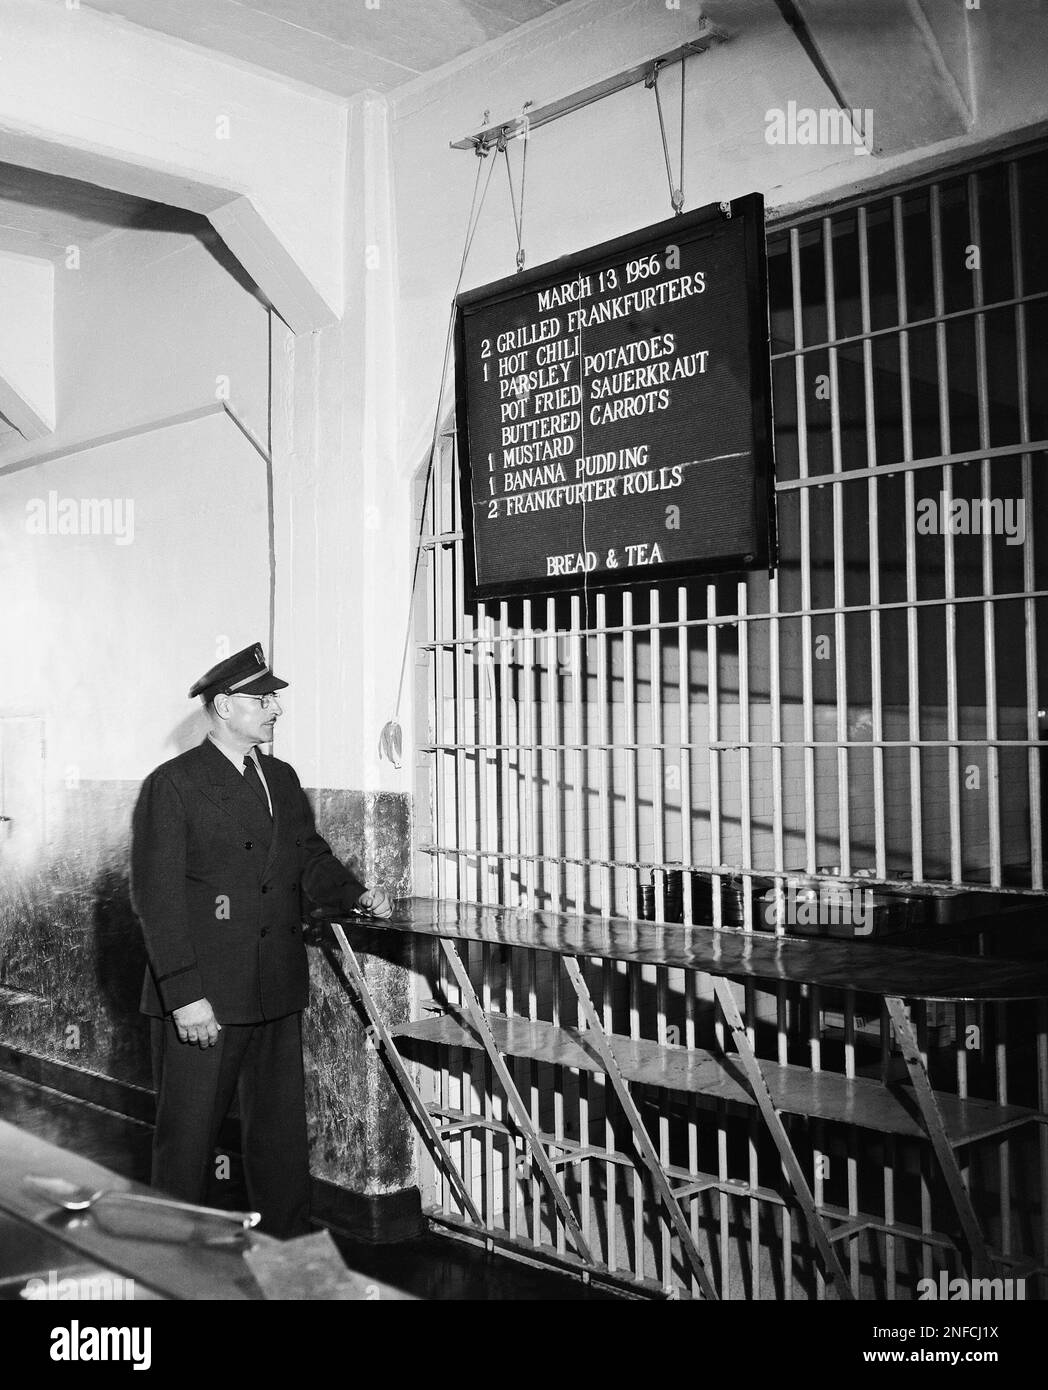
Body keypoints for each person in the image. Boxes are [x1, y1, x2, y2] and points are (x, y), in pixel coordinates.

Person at [130, 642, 391, 1238]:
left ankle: (286, 1245)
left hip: (274, 983)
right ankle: (173, 1256)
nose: (275, 707)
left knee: (278, 1133)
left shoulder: (279, 776)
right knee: (189, 1137)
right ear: (224, 706)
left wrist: (352, 893)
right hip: (206, 996)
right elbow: (158, 899)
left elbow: (307, 856)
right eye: (261, 698)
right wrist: (185, 995)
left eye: (273, 697)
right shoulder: (173, 785)